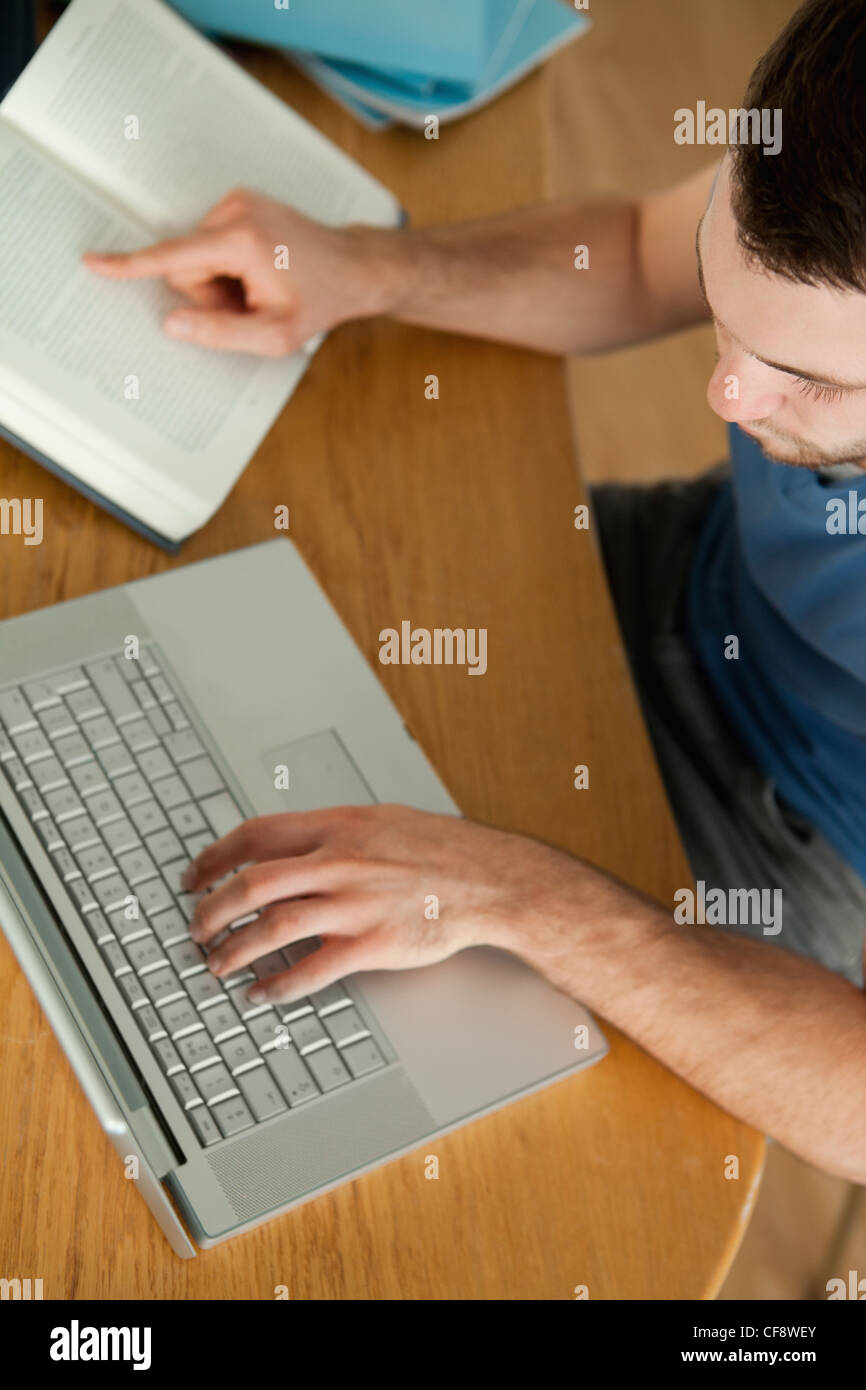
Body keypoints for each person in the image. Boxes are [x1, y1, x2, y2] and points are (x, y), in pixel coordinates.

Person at [84, 0, 866, 1182]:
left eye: (803, 381)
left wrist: (523, 898)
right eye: (725, 316)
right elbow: (643, 251)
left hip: (787, 867)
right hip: (679, 579)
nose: (726, 396)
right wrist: (371, 268)